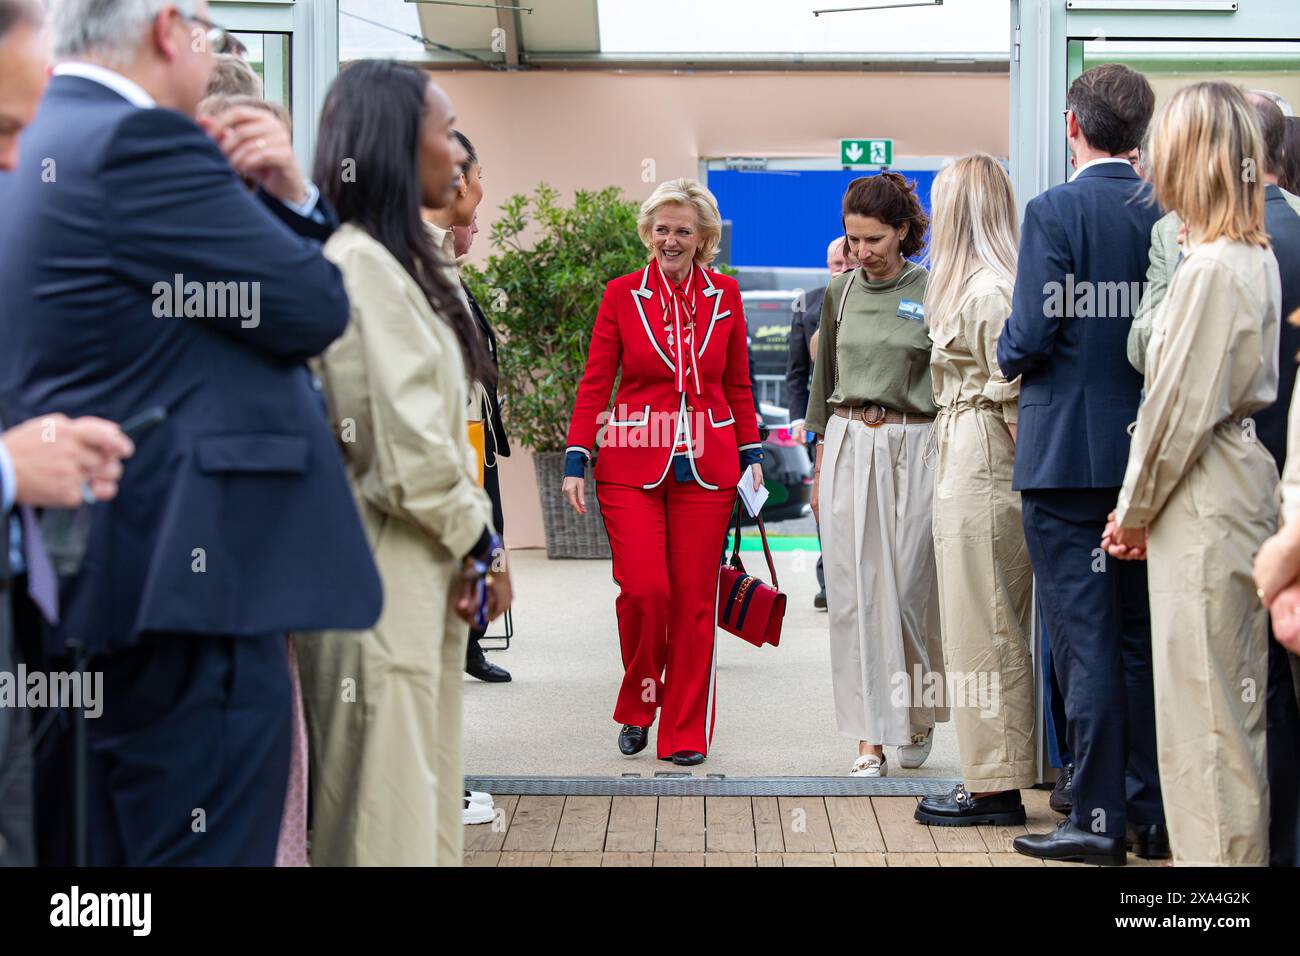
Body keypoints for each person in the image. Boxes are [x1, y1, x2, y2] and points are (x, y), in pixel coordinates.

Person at [0, 0, 382, 867]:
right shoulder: (141, 143)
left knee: (94, 867)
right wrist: (290, 199)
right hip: (183, 579)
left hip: (73, 580)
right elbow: (310, 306)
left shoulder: (35, 138)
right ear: (170, 28)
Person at [300, 61, 512, 867]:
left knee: (419, 808)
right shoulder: (360, 268)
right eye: (443, 128)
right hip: (376, 580)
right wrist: (481, 540)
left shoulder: (399, 263)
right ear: (395, 144)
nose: (458, 151)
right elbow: (402, 453)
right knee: (382, 826)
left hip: (414, 574)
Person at [1105, 81, 1280, 867]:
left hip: (1202, 492)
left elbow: (1175, 408)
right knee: (1219, 713)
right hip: (1227, 484)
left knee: (1204, 721)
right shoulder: (1248, 255)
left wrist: (1133, 508)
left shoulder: (1211, 267)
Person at [1001, 63, 1165, 866]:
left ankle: (1094, 821)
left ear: (1073, 125)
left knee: (1084, 643)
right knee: (1135, 641)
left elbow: (1031, 334)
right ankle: (1147, 813)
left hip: (1065, 460)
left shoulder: (1055, 211)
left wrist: (1004, 351)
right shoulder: (1166, 213)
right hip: (1146, 462)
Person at [562, 178, 762, 766]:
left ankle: (683, 730)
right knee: (646, 591)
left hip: (709, 465)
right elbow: (597, 379)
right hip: (630, 464)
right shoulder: (622, 294)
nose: (669, 239)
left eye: (682, 230)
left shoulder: (726, 295)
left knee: (695, 600)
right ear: (648, 234)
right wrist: (578, 454)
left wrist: (751, 458)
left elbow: (737, 384)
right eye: (660, 229)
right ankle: (638, 700)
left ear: (703, 238)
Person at [804, 172, 947, 778]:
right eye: (852, 239)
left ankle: (917, 711)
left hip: (914, 442)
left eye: (874, 240)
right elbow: (823, 381)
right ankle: (870, 736)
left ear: (904, 232)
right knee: (856, 596)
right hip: (845, 440)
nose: (862, 253)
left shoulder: (933, 288)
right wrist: (818, 463)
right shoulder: (839, 293)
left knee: (911, 590)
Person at [914, 154, 1034, 826]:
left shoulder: (987, 291)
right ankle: (993, 774)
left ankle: (994, 787)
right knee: (977, 623)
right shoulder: (980, 285)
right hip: (967, 451)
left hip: (982, 458)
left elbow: (1012, 393)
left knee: (982, 625)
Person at [424, 129, 512, 685]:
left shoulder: (445, 267)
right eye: (477, 179)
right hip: (447, 444)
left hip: (474, 432)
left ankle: (466, 646)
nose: (480, 193)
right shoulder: (414, 263)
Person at [786, 236, 858, 611]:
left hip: (863, 415)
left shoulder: (870, 298)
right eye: (836, 265)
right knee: (824, 502)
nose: (842, 270)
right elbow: (796, 372)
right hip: (821, 420)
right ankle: (828, 580)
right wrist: (799, 418)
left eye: (848, 264)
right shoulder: (808, 303)